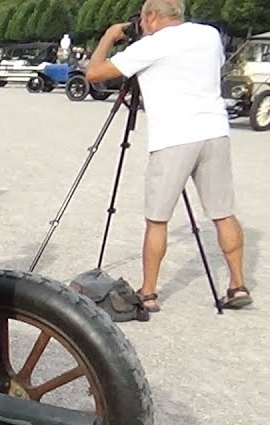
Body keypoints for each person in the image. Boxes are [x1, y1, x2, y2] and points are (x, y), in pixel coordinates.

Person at [86, 0, 250, 310]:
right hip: (214, 131)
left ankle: (148, 293)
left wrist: (109, 36)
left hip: (173, 138)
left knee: (157, 219)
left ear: (151, 16)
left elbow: (94, 73)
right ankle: (238, 284)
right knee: (222, 212)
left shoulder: (152, 46)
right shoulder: (209, 35)